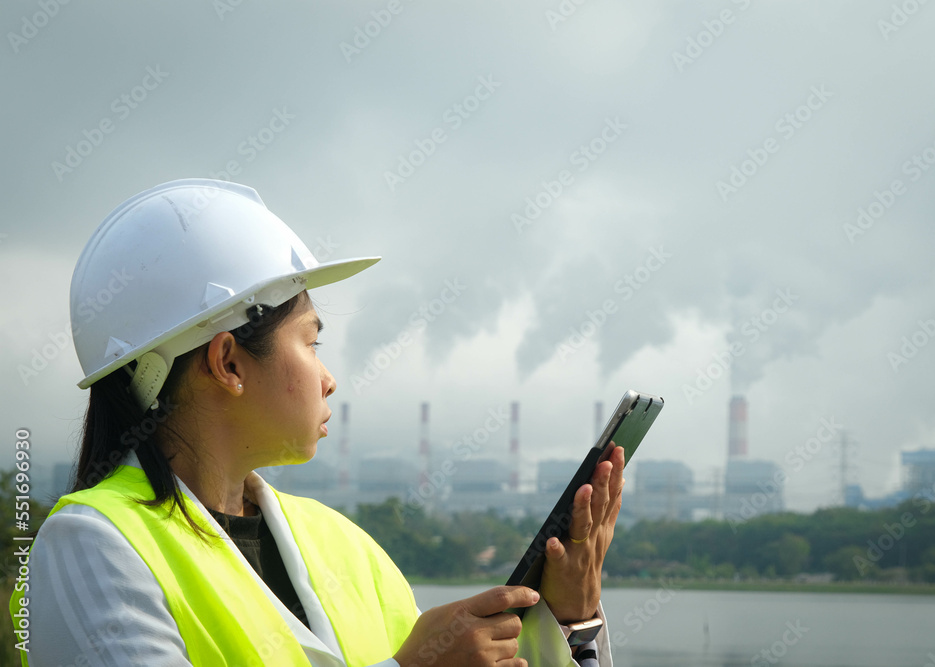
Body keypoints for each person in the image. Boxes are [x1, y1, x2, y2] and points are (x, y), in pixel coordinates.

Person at [10, 179, 624, 666]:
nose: (328, 379)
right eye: (311, 343)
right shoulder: (93, 546)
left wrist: (572, 623)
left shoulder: (347, 547)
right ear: (228, 361)